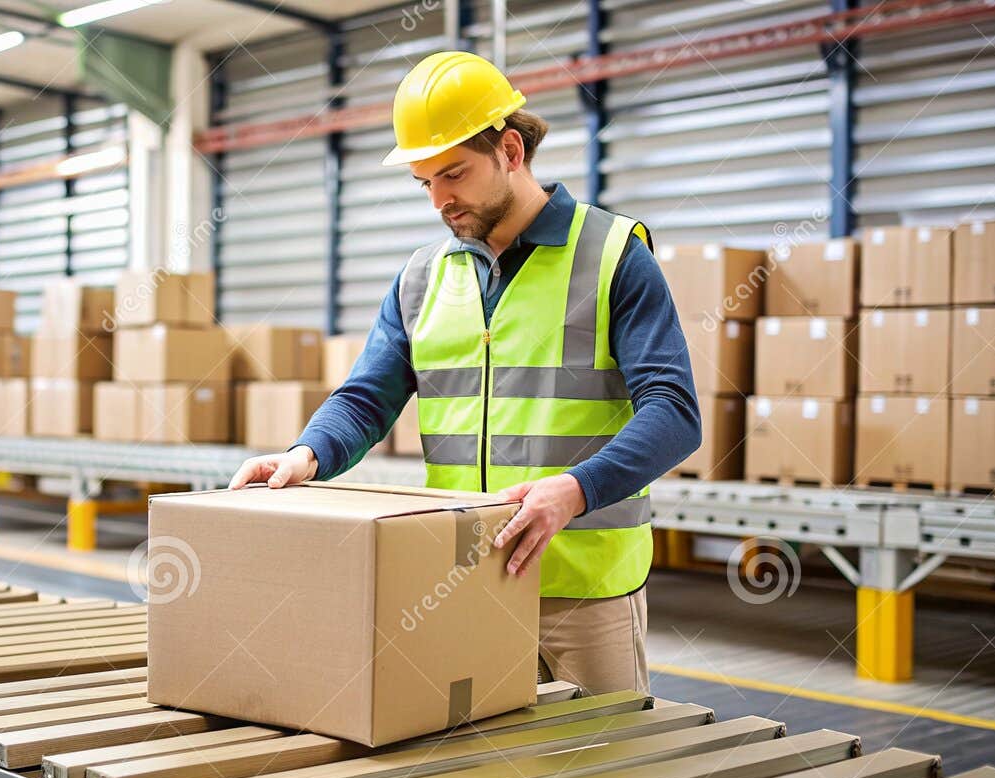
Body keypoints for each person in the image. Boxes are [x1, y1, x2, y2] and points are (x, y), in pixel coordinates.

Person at [228, 51, 700, 697]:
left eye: (453, 173)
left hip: (584, 595)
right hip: (464, 584)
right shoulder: (423, 277)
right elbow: (367, 397)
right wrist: (305, 455)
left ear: (511, 150)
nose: (440, 199)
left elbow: (675, 413)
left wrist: (575, 490)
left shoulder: (614, 256)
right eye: (425, 182)